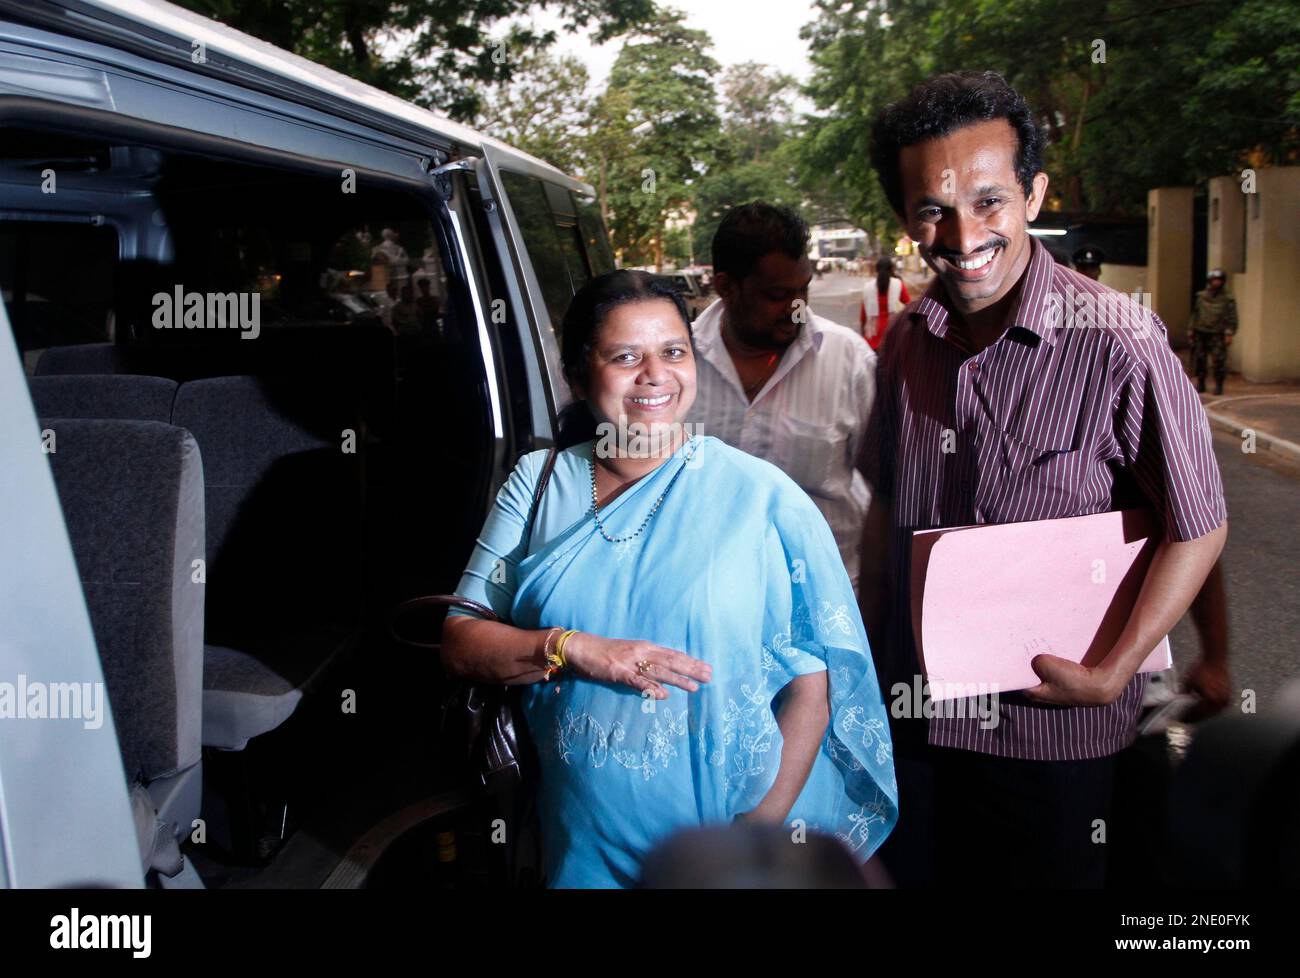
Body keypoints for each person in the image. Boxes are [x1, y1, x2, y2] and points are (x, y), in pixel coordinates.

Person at [860, 70, 1227, 888]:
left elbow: (1197, 525)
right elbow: (885, 507)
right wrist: (858, 661)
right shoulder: (908, 344)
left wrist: (1114, 670)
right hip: (916, 728)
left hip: (1052, 740)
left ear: (1033, 194)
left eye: (989, 201)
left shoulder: (1121, 342)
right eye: (933, 210)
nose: (963, 234)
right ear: (905, 218)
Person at [441, 270, 898, 888]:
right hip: (583, 838)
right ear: (579, 377)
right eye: (625, 357)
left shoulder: (760, 496)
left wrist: (753, 837)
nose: (654, 374)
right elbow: (461, 640)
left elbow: (811, 689)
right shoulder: (539, 483)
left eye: (673, 352)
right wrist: (577, 650)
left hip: (729, 843)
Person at [685, 203, 877, 593]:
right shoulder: (676, 362)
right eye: (776, 295)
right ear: (725, 287)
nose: (796, 308)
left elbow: (886, 494)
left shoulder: (849, 359)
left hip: (826, 600)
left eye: (802, 289)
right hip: (703, 597)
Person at [1188, 268, 1237, 395]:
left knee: (1218, 360)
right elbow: (1195, 314)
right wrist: (1191, 329)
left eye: (1219, 280)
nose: (1216, 282)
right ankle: (1201, 383)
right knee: (1200, 359)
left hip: (1218, 333)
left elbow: (1232, 316)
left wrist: (1229, 333)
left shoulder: (1227, 299)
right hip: (1201, 331)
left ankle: (1219, 385)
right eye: (1214, 280)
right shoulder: (1201, 296)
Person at [860, 256, 911, 350]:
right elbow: (909, 306)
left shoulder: (868, 287)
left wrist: (863, 333)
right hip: (894, 335)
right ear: (892, 269)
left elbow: (863, 315)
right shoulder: (898, 284)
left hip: (872, 336)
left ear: (876, 270)